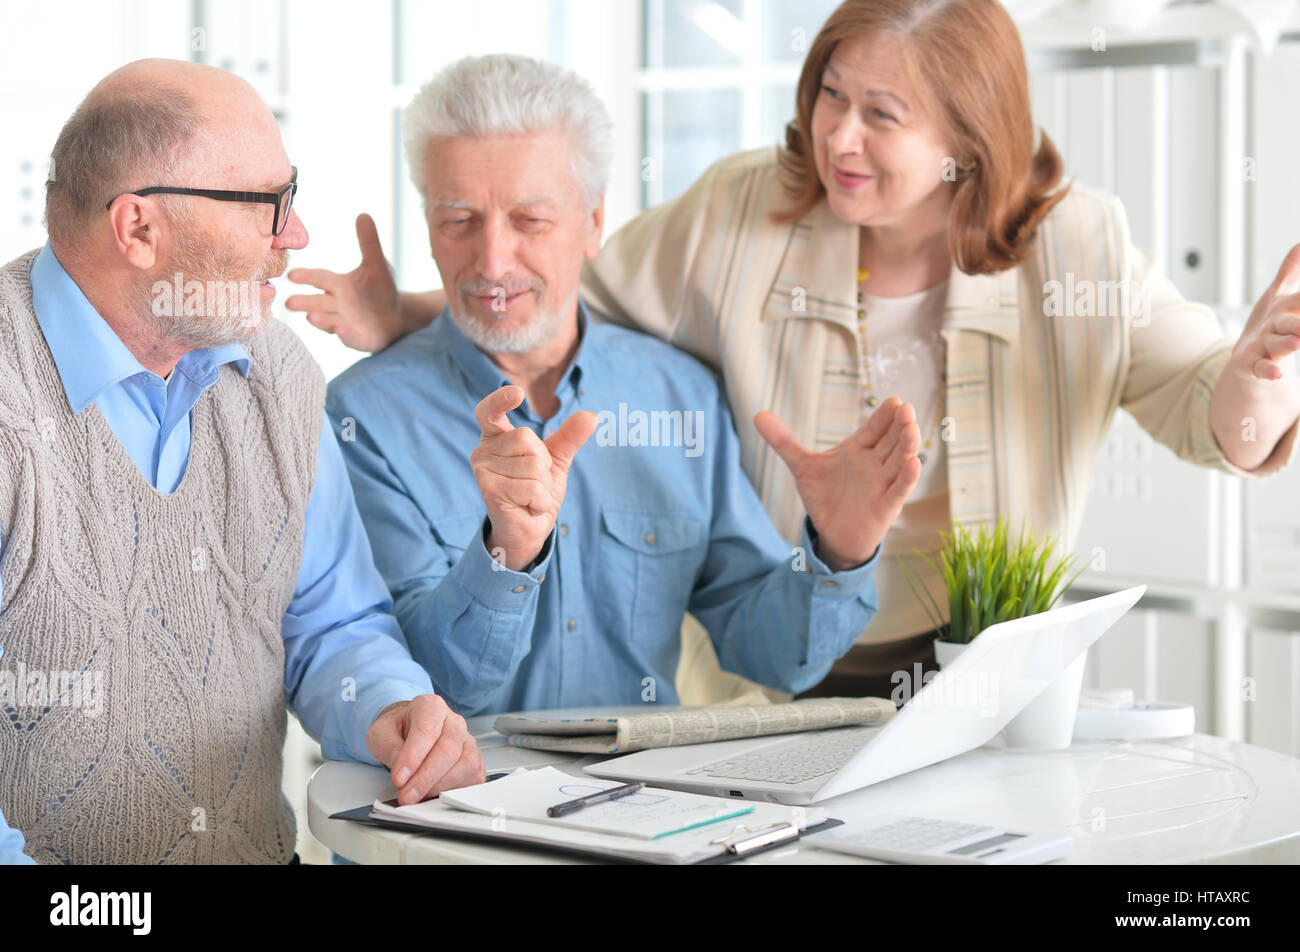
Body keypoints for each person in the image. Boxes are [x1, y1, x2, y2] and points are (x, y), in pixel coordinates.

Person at [289, 0, 1300, 703]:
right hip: (776, 675)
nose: (838, 139)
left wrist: (1252, 375)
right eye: (829, 95)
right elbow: (547, 291)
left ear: (967, 136)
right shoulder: (740, 212)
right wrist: (406, 316)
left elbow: (1207, 417)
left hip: (981, 667)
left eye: (881, 116)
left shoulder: (1076, 244)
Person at [324, 54, 921, 716]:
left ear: (595, 222)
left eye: (530, 220)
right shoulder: (363, 419)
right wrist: (507, 555)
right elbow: (418, 687)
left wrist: (838, 552)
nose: (492, 262)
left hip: (649, 804)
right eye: (458, 220)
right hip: (456, 809)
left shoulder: (679, 395)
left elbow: (772, 656)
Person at [0, 59, 483, 865]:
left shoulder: (281, 377)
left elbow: (333, 621)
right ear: (138, 229)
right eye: (268, 204)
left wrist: (392, 708)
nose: (293, 235)